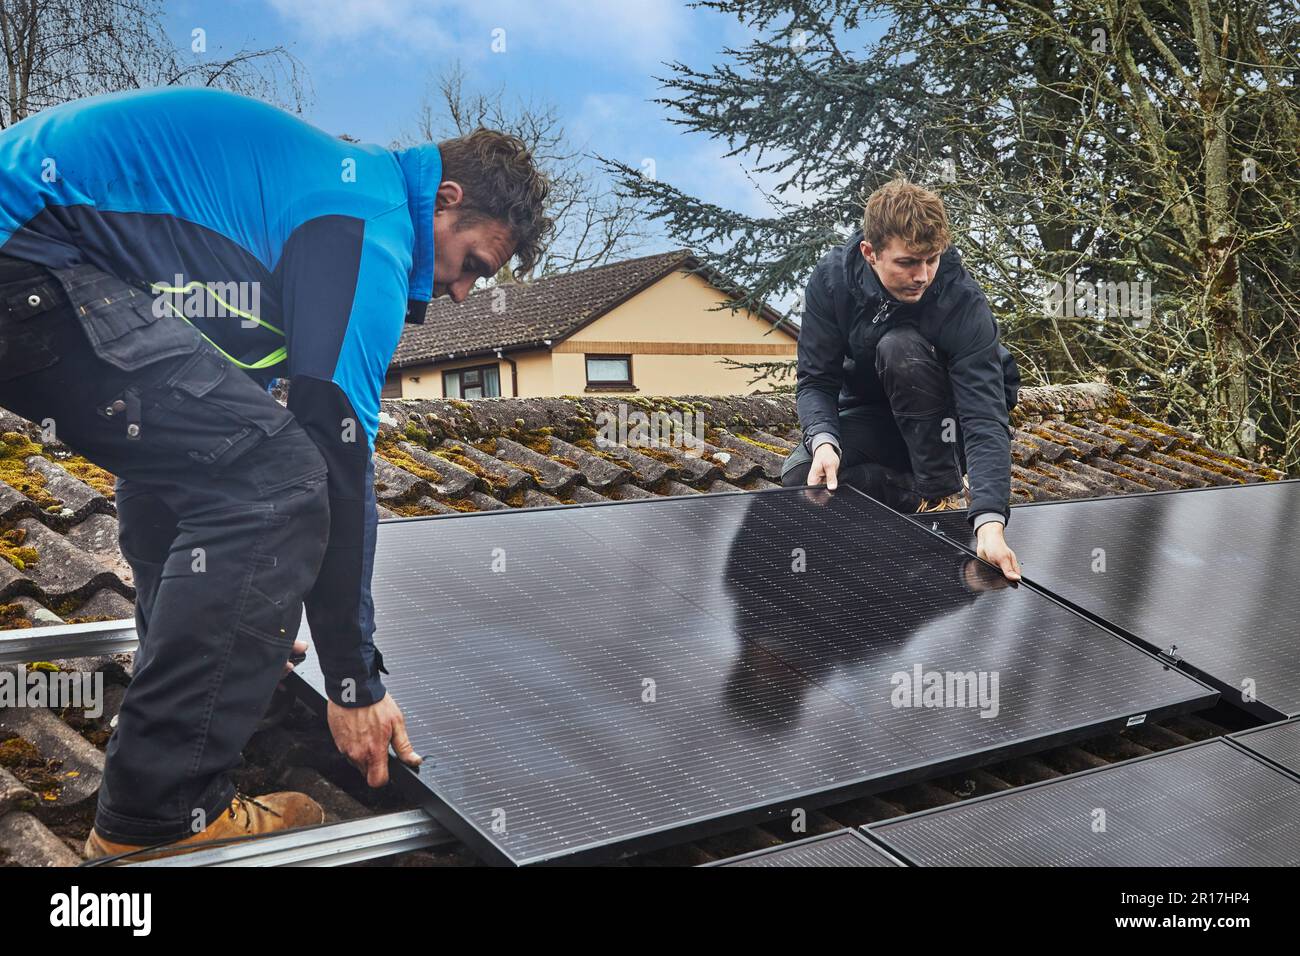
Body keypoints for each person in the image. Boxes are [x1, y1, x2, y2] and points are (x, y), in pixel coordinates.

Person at [0, 86, 550, 859]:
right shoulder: (373, 224)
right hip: (33, 258)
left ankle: (175, 723)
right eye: (472, 264)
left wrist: (236, 609)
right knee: (278, 476)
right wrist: (354, 683)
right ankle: (160, 818)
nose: (461, 291)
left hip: (41, 264)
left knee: (225, 459)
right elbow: (332, 454)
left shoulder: (300, 207)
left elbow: (194, 451)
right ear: (446, 201)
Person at [780, 178, 1022, 581]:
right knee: (801, 478)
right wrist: (823, 440)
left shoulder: (960, 299)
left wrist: (990, 522)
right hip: (877, 414)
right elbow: (816, 381)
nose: (923, 276)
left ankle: (941, 492)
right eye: (908, 263)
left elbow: (984, 417)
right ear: (870, 252)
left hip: (950, 423)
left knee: (900, 348)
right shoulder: (831, 282)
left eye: (932, 260)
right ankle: (910, 493)